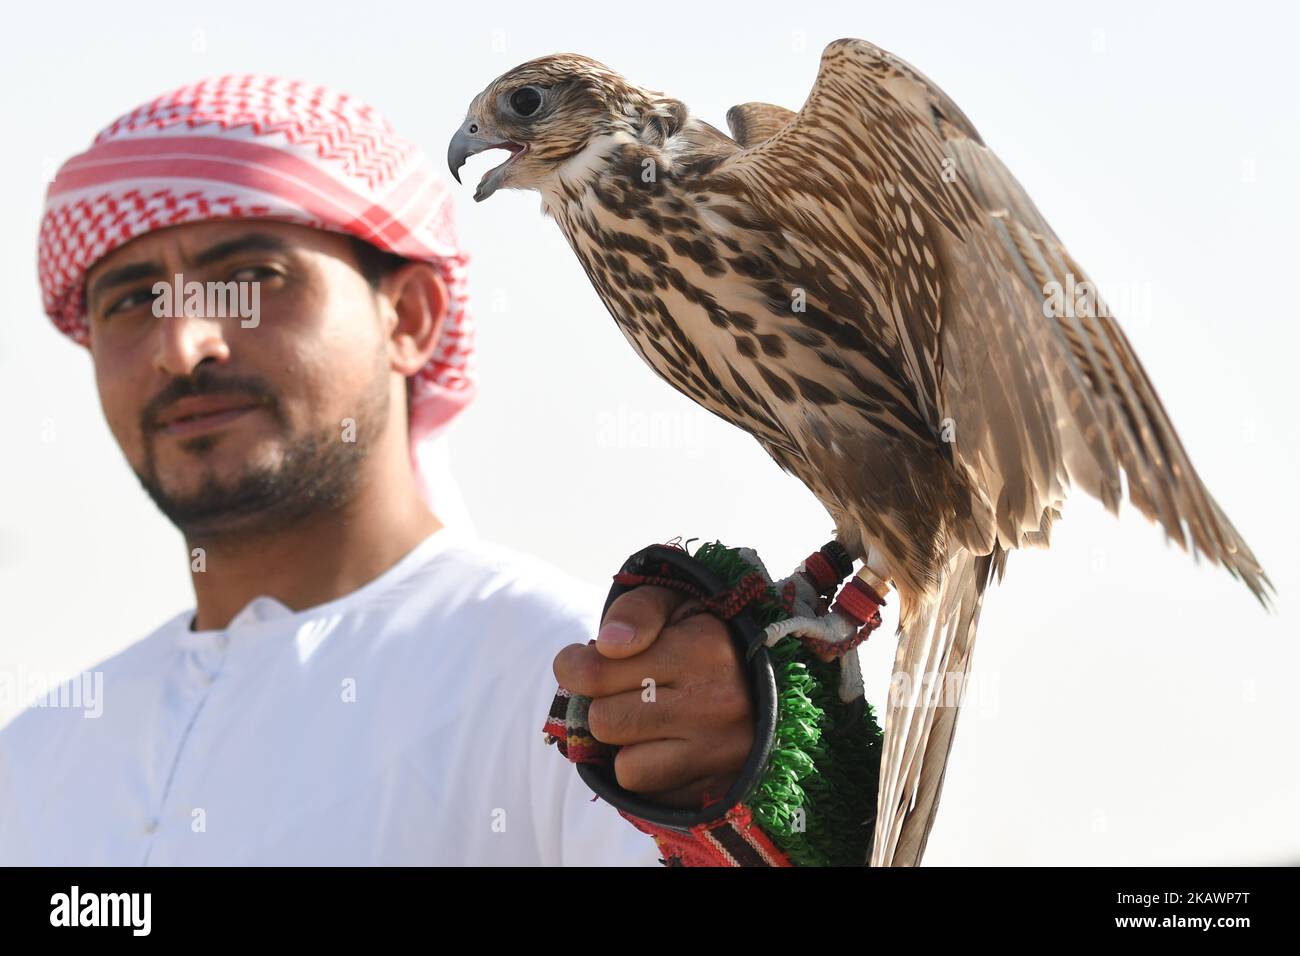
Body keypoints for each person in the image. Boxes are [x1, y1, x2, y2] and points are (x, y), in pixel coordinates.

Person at [0, 75, 754, 865]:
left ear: (411, 316)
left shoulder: (581, 682)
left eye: (251, 283)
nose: (183, 345)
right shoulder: (35, 756)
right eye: (134, 300)